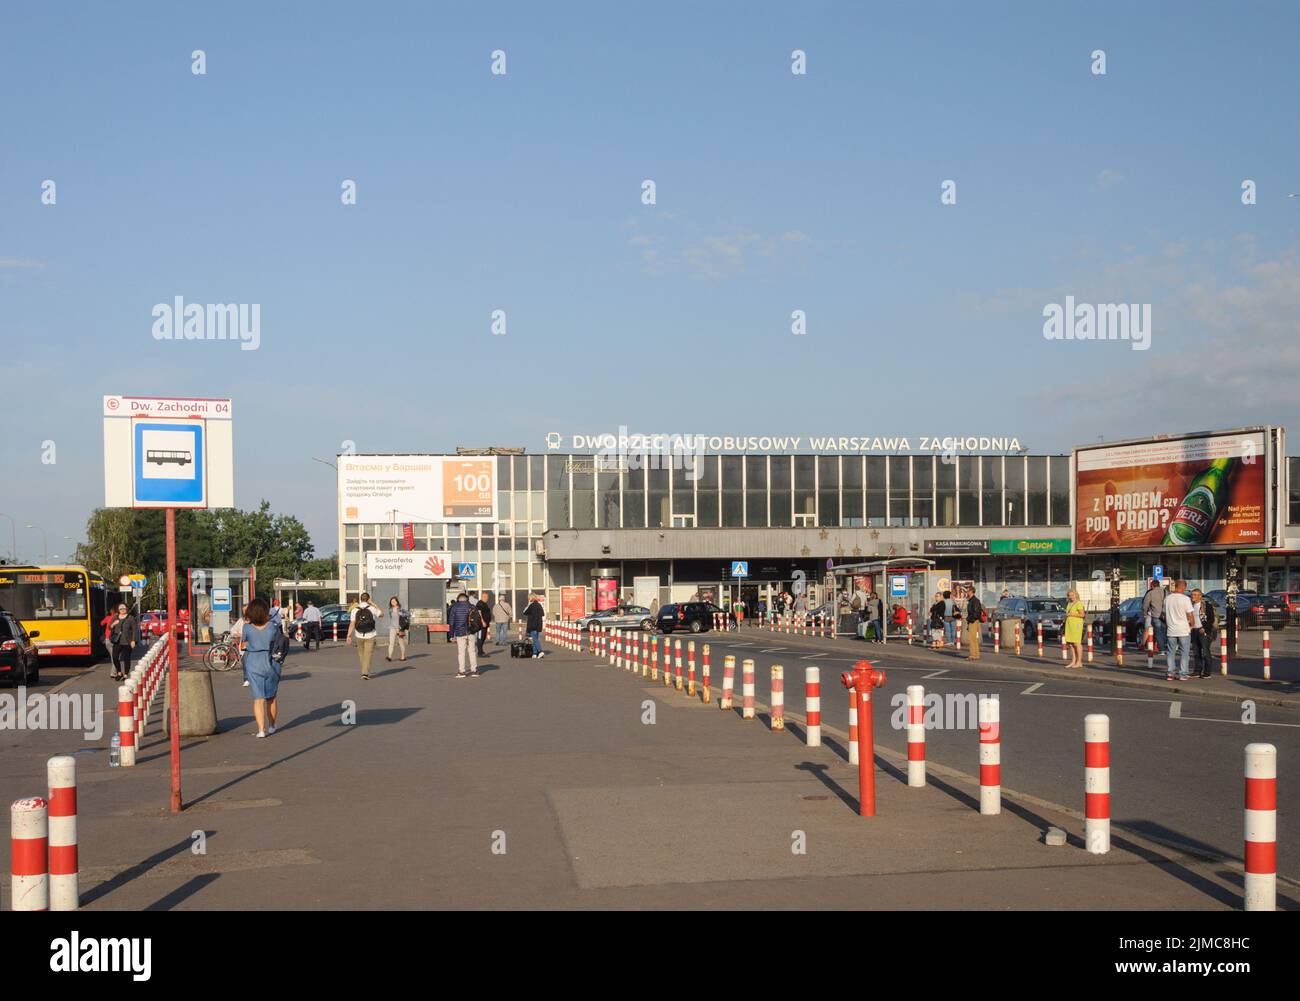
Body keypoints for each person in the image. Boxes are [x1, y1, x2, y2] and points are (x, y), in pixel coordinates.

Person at [239, 598, 282, 738]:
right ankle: (272, 725)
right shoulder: (272, 626)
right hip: (271, 663)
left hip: (253, 662)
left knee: (258, 698)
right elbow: (277, 643)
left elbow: (243, 645)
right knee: (271, 697)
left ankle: (261, 730)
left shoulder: (246, 627)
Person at [1163, 579, 1196, 682]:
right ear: (1183, 587)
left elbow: (1164, 614)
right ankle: (1183, 674)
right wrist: (1192, 625)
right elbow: (1190, 615)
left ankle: (1170, 673)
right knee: (1184, 653)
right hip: (1183, 630)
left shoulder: (1167, 599)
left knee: (1171, 652)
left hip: (1171, 630)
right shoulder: (1185, 599)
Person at [347, 591, 384, 680]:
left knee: (361, 654)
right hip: (370, 634)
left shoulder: (355, 609)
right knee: (368, 654)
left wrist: (348, 636)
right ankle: (365, 673)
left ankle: (364, 670)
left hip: (358, 634)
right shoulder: (371, 608)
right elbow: (382, 614)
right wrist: (373, 604)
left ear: (360, 599)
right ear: (368, 599)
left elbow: (352, 623)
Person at [447, 593, 479, 677]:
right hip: (471, 632)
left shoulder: (454, 607)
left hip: (460, 633)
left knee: (461, 653)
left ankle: (462, 671)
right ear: (467, 599)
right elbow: (477, 619)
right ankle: (474, 671)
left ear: (458, 599)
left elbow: (451, 622)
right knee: (472, 651)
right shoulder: (472, 606)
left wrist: (451, 635)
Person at [108, 603, 139, 681]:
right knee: (114, 656)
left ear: (127, 609)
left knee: (126, 658)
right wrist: (113, 624)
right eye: (121, 609)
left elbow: (135, 630)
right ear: (118, 610)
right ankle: (119, 672)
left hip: (127, 641)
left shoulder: (130, 618)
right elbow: (109, 627)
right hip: (117, 641)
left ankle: (125, 674)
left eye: (124, 609)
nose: (122, 610)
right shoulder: (115, 617)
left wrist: (133, 640)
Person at [1190, 588, 1217, 679]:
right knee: (1196, 652)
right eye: (1192, 595)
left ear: (1200, 596)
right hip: (1194, 630)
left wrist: (1204, 628)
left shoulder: (1206, 605)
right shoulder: (1191, 605)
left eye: (1194, 595)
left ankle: (1207, 672)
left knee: (1205, 652)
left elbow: (1211, 619)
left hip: (1203, 631)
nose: (1192, 596)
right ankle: (1197, 671)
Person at [1141, 578, 1167, 655]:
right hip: (1165, 616)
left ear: (1152, 585)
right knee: (1165, 631)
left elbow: (1145, 605)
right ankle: (1166, 646)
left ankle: (1162, 649)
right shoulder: (1166, 592)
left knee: (1158, 632)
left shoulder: (1150, 593)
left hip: (1156, 615)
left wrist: (1145, 614)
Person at [1063, 589, 1085, 669]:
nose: (1071, 597)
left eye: (1072, 595)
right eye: (1069, 595)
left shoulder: (1078, 603)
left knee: (1076, 643)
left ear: (1076, 595)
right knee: (1070, 644)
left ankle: (1079, 662)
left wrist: (1072, 614)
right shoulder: (1069, 603)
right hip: (1069, 625)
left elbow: (1082, 614)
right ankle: (1073, 661)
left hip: (1076, 625)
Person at [524, 593, 546, 658]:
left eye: (529, 598)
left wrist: (528, 605)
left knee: (535, 639)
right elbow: (543, 614)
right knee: (535, 639)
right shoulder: (539, 605)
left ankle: (540, 651)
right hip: (538, 625)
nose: (528, 599)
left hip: (532, 625)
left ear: (531, 598)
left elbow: (525, 612)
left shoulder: (531, 605)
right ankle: (535, 653)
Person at [387, 596, 408, 662]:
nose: (393, 602)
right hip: (392, 628)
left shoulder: (401, 609)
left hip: (400, 628)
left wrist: (400, 613)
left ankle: (403, 657)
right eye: (392, 601)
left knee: (401, 642)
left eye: (394, 601)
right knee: (391, 642)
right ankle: (389, 656)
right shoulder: (390, 610)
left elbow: (407, 615)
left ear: (397, 602)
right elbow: (392, 619)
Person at [966, 591, 985, 660]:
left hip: (973, 620)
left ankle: (973, 655)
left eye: (968, 591)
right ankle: (976, 655)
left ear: (971, 592)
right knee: (974, 638)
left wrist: (970, 618)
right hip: (973, 620)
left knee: (972, 638)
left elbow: (976, 612)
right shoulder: (972, 600)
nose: (967, 593)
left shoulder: (975, 600)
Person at [473, 591, 492, 656]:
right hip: (481, 625)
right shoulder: (480, 603)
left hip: (485, 624)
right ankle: (480, 652)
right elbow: (479, 612)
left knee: (483, 637)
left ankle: (481, 651)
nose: (486, 598)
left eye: (487, 597)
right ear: (482, 597)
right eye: (485, 597)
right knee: (480, 638)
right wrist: (483, 621)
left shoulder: (485, 604)